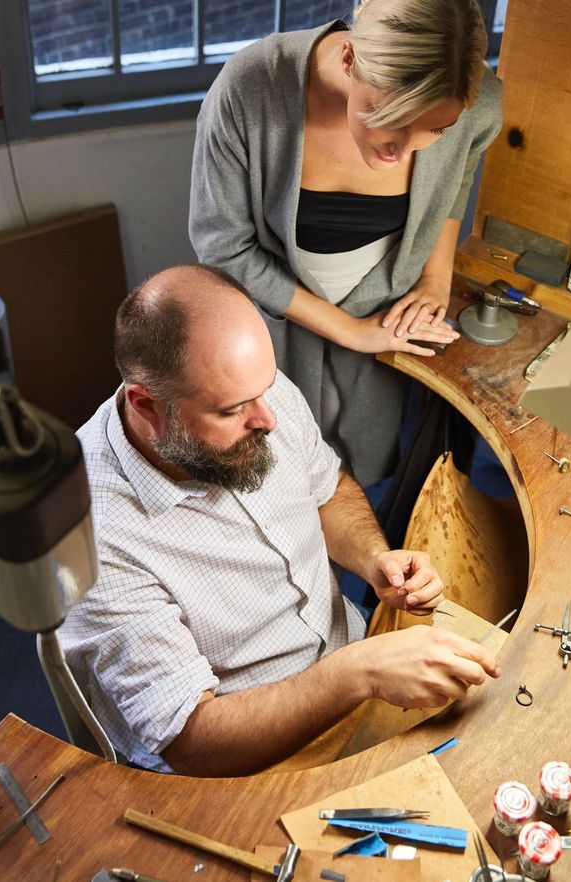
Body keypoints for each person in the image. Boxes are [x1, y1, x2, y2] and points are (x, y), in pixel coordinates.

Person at [59, 264, 501, 777]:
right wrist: (360, 674)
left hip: (353, 666)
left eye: (265, 390)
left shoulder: (249, 389)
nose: (267, 420)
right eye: (233, 411)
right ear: (146, 405)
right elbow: (192, 739)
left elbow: (326, 488)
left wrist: (375, 558)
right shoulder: (90, 538)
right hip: (248, 757)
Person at [189, 0, 503, 487]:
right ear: (350, 59)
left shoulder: (478, 104)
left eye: (435, 130)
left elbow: (457, 177)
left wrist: (436, 275)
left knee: (366, 469)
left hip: (384, 322)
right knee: (275, 469)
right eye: (390, 117)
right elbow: (223, 247)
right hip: (275, 323)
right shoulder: (252, 88)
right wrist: (351, 330)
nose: (401, 153)